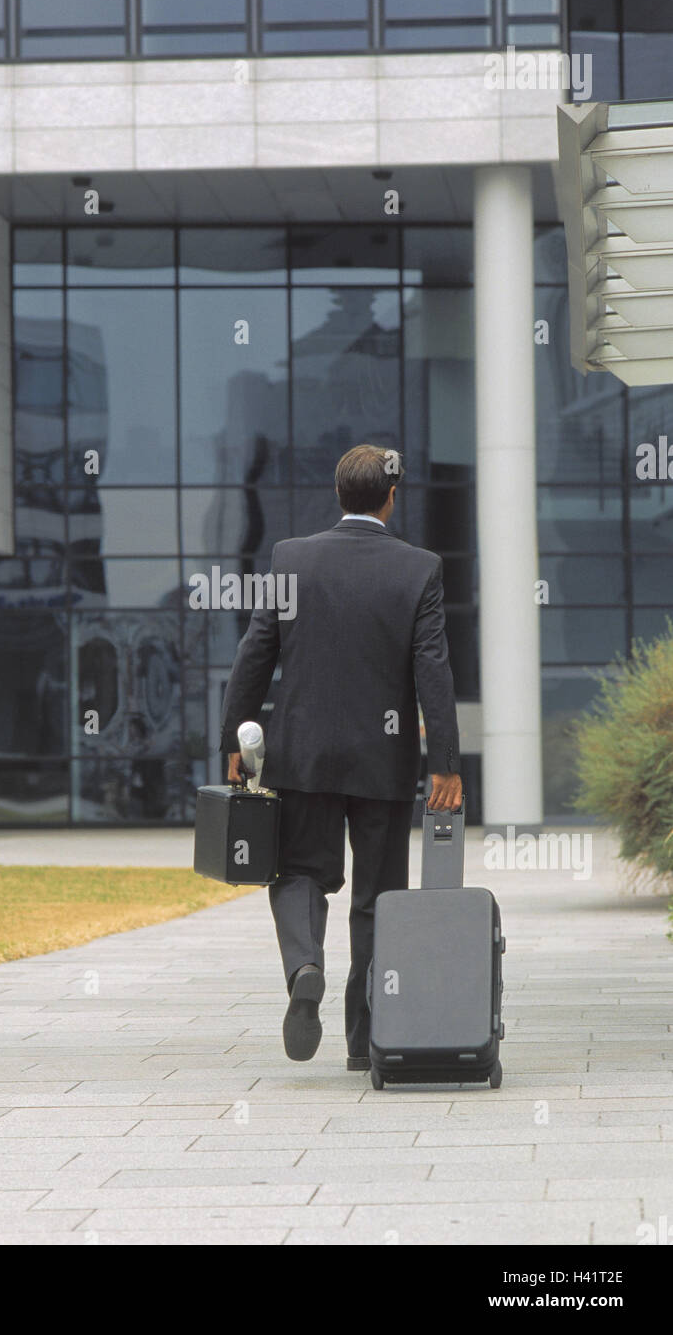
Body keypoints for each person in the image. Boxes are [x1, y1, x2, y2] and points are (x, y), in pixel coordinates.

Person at [220, 443, 462, 1069]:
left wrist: (233, 742)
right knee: (379, 898)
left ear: (338, 495)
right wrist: (446, 764)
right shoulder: (420, 569)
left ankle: (304, 965)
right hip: (383, 764)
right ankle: (367, 1041)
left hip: (304, 756)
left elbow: (255, 656)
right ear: (390, 496)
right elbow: (432, 668)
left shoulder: (290, 559)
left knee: (300, 871)